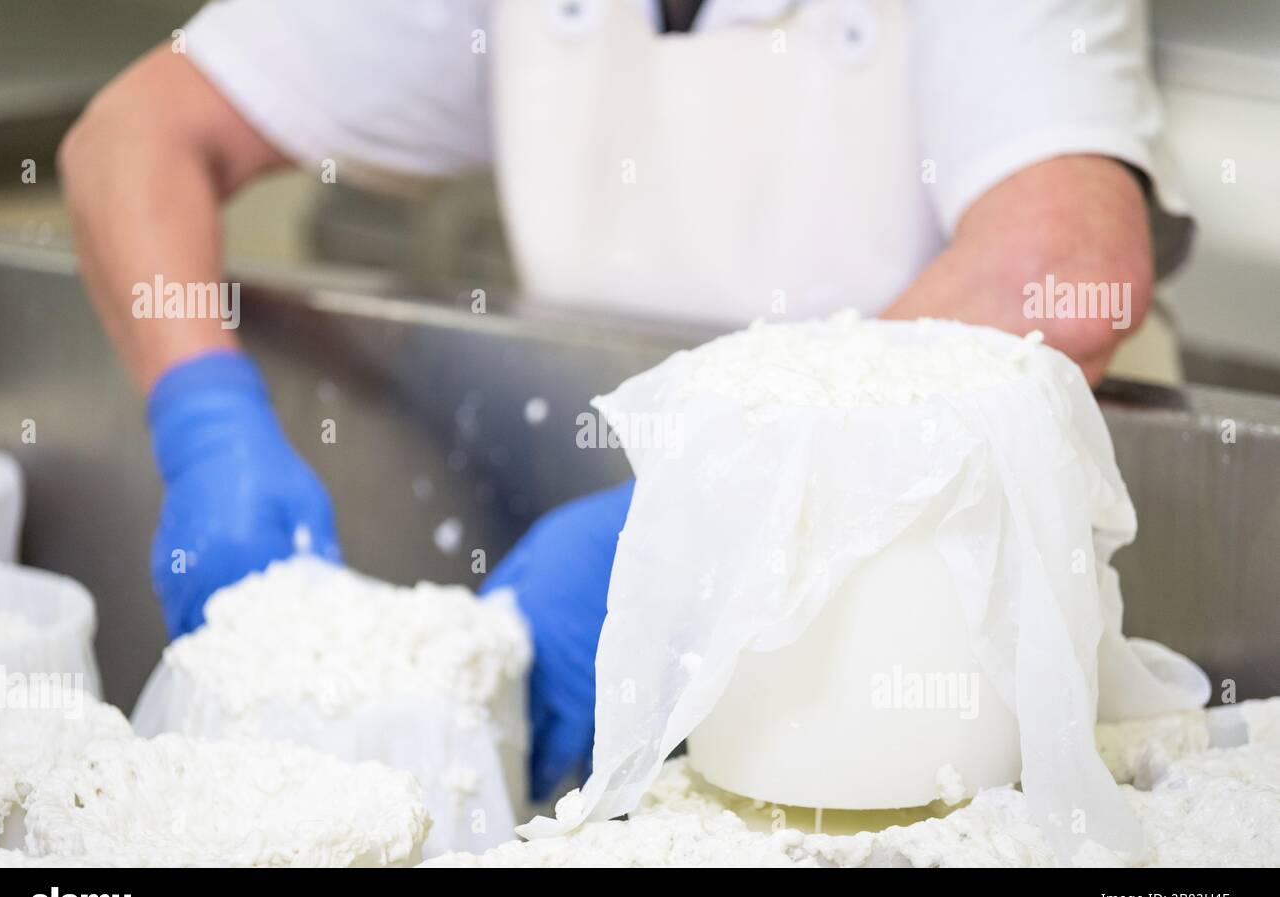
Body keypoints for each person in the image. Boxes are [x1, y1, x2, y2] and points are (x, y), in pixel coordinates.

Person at [58, 0, 1193, 800]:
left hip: (927, 635)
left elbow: (1063, 262)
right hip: (613, 526)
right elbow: (133, 137)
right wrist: (206, 416)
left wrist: (698, 513)